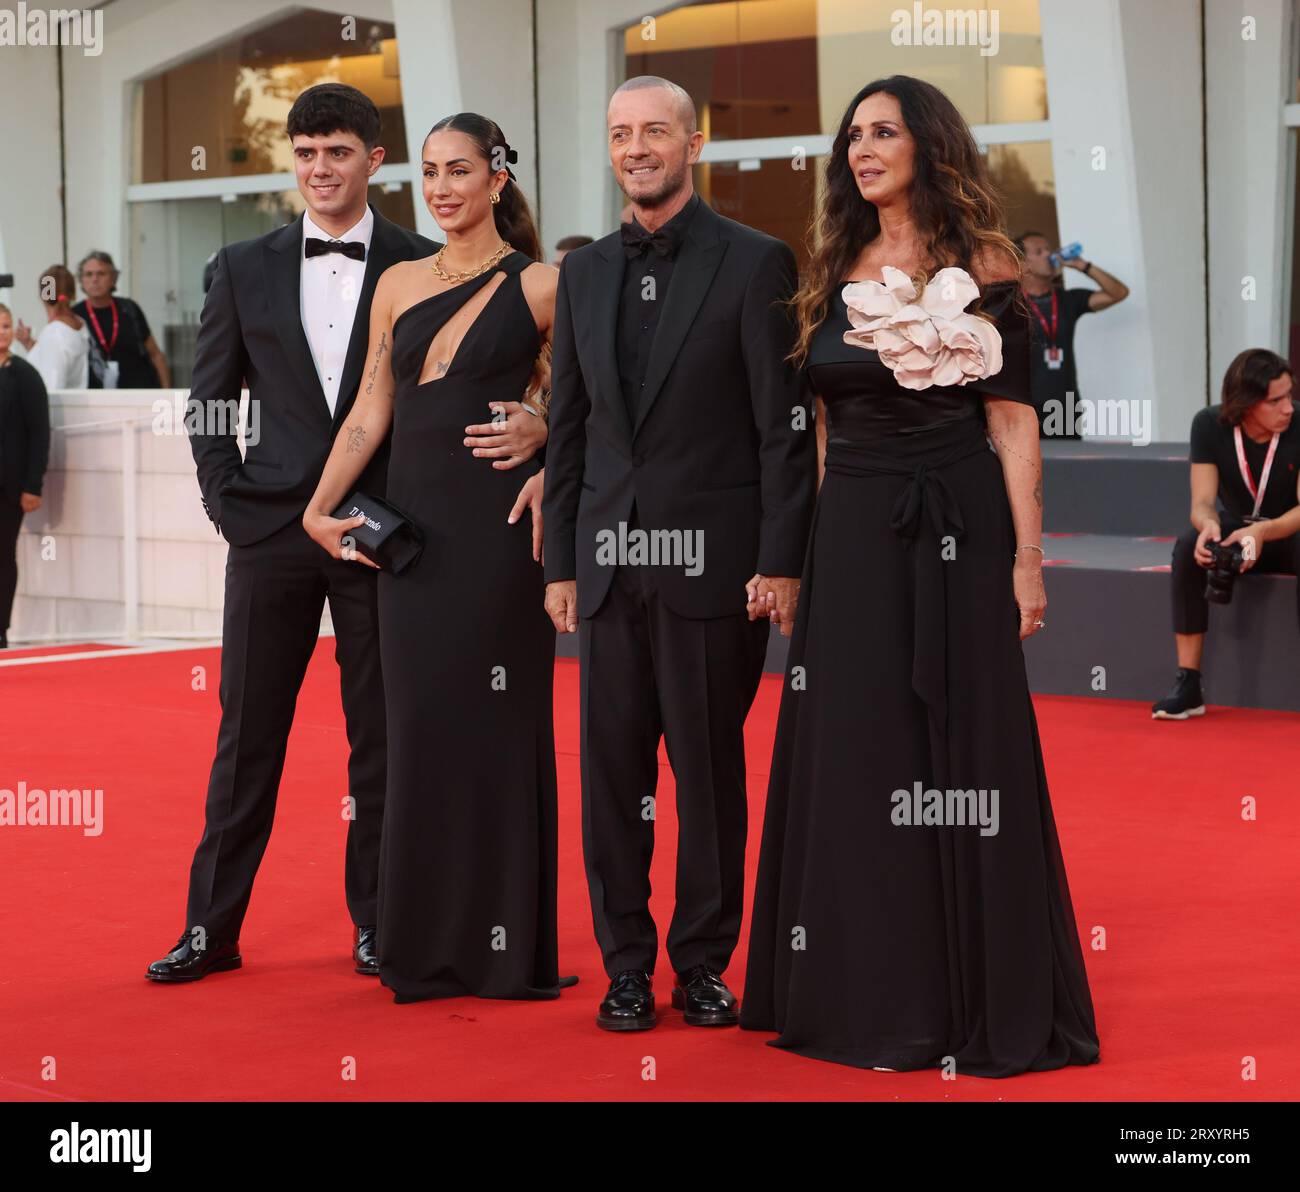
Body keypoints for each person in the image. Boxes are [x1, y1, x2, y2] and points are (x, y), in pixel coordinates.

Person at [740, 75, 1101, 1078]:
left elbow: (1013, 421)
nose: (861, 149)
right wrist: (802, 558)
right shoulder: (829, 265)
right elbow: (816, 428)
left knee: (958, 751)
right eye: (852, 134)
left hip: (955, 521)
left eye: (883, 131)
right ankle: (863, 994)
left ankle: (960, 998)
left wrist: (1027, 559)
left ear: (928, 144)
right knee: (856, 750)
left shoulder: (983, 265)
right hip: (850, 530)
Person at [146, 83, 441, 983]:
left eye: (338, 151)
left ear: (372, 159)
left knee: (380, 737)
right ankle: (211, 928)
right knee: (248, 736)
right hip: (269, 530)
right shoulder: (242, 266)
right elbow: (210, 399)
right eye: (307, 152)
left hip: (373, 532)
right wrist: (225, 501)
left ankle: (381, 924)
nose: (320, 168)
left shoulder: (421, 262)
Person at [542, 76, 816, 1032]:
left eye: (655, 130)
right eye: (620, 132)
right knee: (611, 780)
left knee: (707, 779)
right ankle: (625, 963)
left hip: (716, 570)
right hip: (609, 570)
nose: (636, 146)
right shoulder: (579, 274)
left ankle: (702, 961)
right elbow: (567, 430)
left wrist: (781, 562)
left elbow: (781, 431)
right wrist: (560, 566)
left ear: (692, 144)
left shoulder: (756, 262)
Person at [303, 112, 563, 1002]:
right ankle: (420, 943)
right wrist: (319, 505)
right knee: (416, 731)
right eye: (429, 172)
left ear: (498, 177)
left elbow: (603, 402)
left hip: (495, 539)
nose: (443, 187)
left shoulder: (543, 286)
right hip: (412, 541)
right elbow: (372, 409)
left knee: (495, 729)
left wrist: (548, 434)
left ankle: (503, 949)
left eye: (460, 170)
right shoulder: (399, 282)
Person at [1152, 349, 1300, 720]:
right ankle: (1188, 684)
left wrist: (1264, 531)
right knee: (1189, 546)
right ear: (1247, 404)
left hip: (1287, 528)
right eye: (1275, 400)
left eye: (1289, 395)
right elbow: (1201, 502)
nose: (1288, 409)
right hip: (1237, 527)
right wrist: (1209, 527)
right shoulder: (1208, 424)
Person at [1016, 232, 1128, 439]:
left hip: (1065, 407)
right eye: (1039, 252)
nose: (1049, 254)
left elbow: (1118, 293)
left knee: (1067, 469)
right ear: (1022, 264)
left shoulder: (1067, 300)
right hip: (1025, 409)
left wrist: (1082, 265)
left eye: (1049, 249)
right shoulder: (1012, 305)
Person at [0, 303, 50, 649]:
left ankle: (0, 629)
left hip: (10, 487)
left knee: (3, 555)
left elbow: (40, 433)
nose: (1, 331)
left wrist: (33, 485)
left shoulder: (26, 376)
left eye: (5, 326)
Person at [72, 251, 171, 389]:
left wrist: (167, 394)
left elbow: (155, 355)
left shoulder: (129, 309)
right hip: (94, 399)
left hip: (138, 393)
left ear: (113, 278)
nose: (95, 279)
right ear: (81, 280)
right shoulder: (75, 315)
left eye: (101, 274)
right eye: (89, 274)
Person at [14, 266, 89, 391]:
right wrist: (29, 343)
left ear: (44, 295)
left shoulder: (54, 332)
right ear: (73, 293)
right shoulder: (80, 323)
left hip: (56, 408)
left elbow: (51, 385)